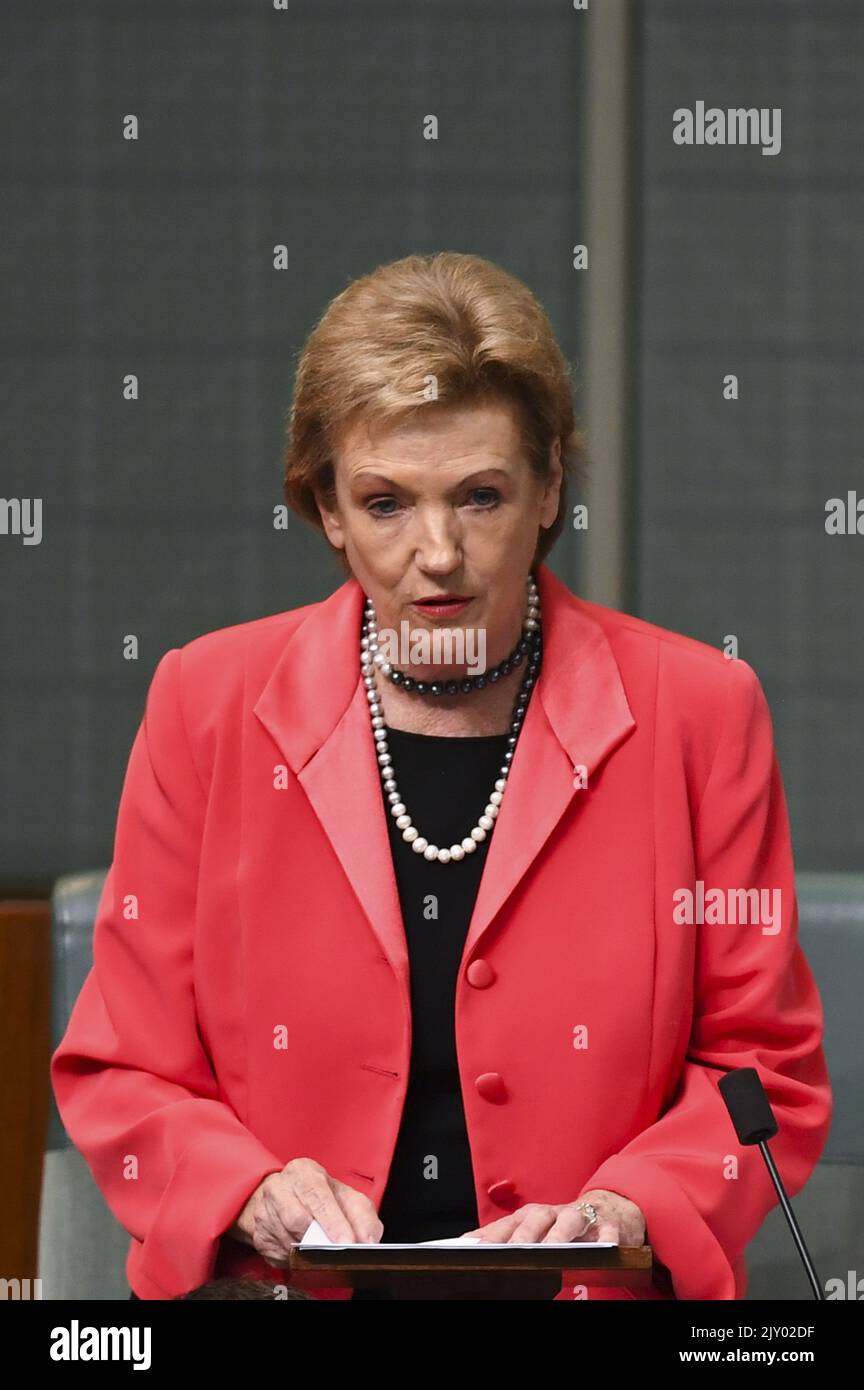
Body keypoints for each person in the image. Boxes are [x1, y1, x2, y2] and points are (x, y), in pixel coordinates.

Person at [52, 251, 832, 1302]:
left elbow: (763, 1075)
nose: (439, 553)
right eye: (384, 502)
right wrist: (251, 1190)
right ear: (324, 508)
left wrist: (634, 1206)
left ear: (551, 485)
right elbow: (124, 1066)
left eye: (480, 495)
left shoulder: (702, 711)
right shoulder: (206, 704)